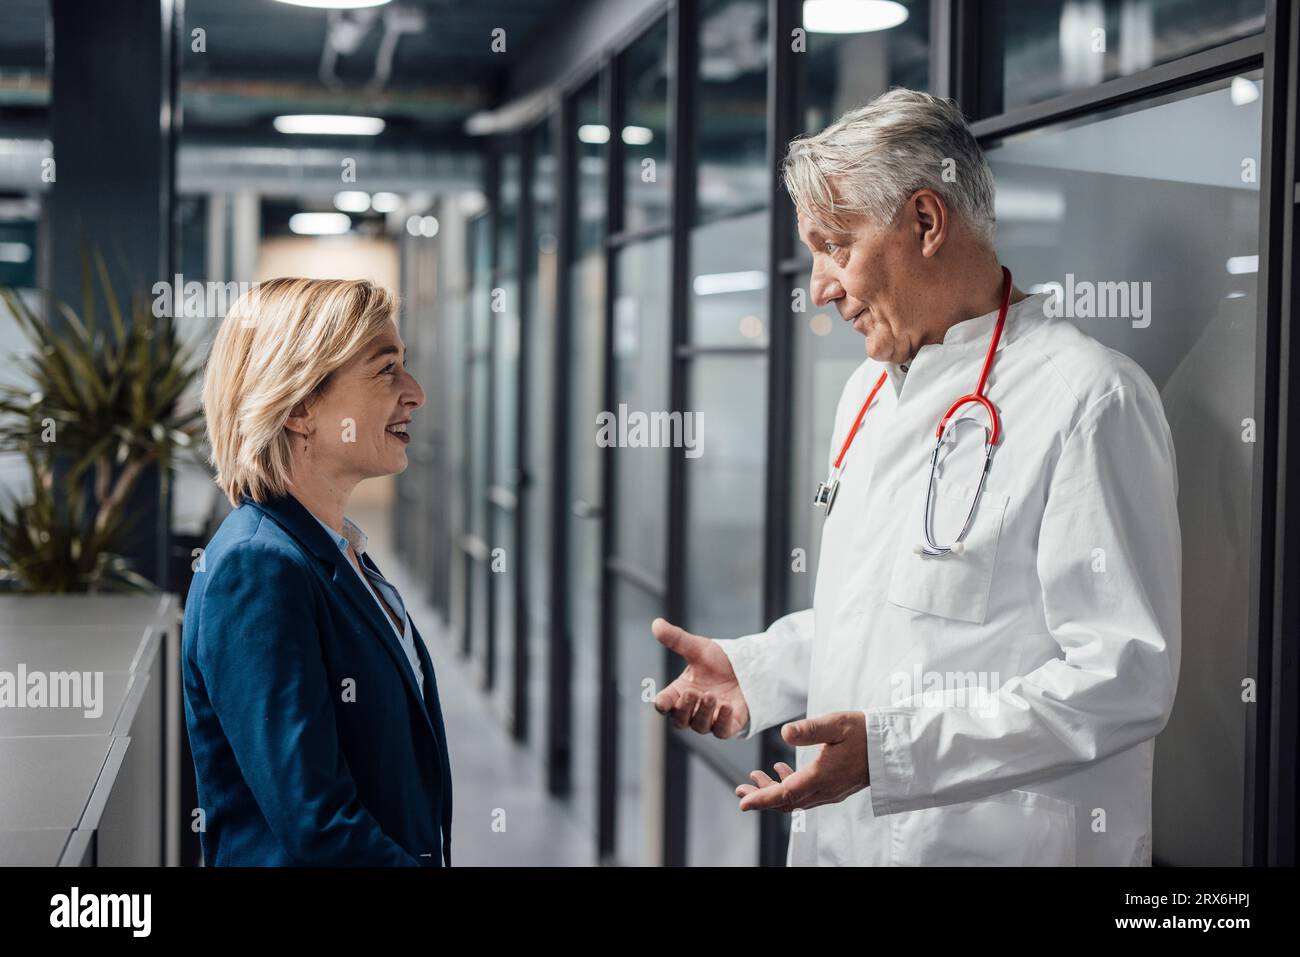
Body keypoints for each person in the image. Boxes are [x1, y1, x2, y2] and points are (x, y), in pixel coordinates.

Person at [652, 89, 1181, 866]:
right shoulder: (868, 391)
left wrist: (897, 753)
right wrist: (757, 669)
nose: (820, 287)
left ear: (926, 223)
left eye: (837, 245)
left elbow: (1122, 675)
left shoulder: (1088, 397)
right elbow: (885, 614)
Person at [182, 277, 452, 866]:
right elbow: (320, 828)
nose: (415, 393)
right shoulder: (258, 568)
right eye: (386, 371)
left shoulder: (332, 549)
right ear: (300, 405)